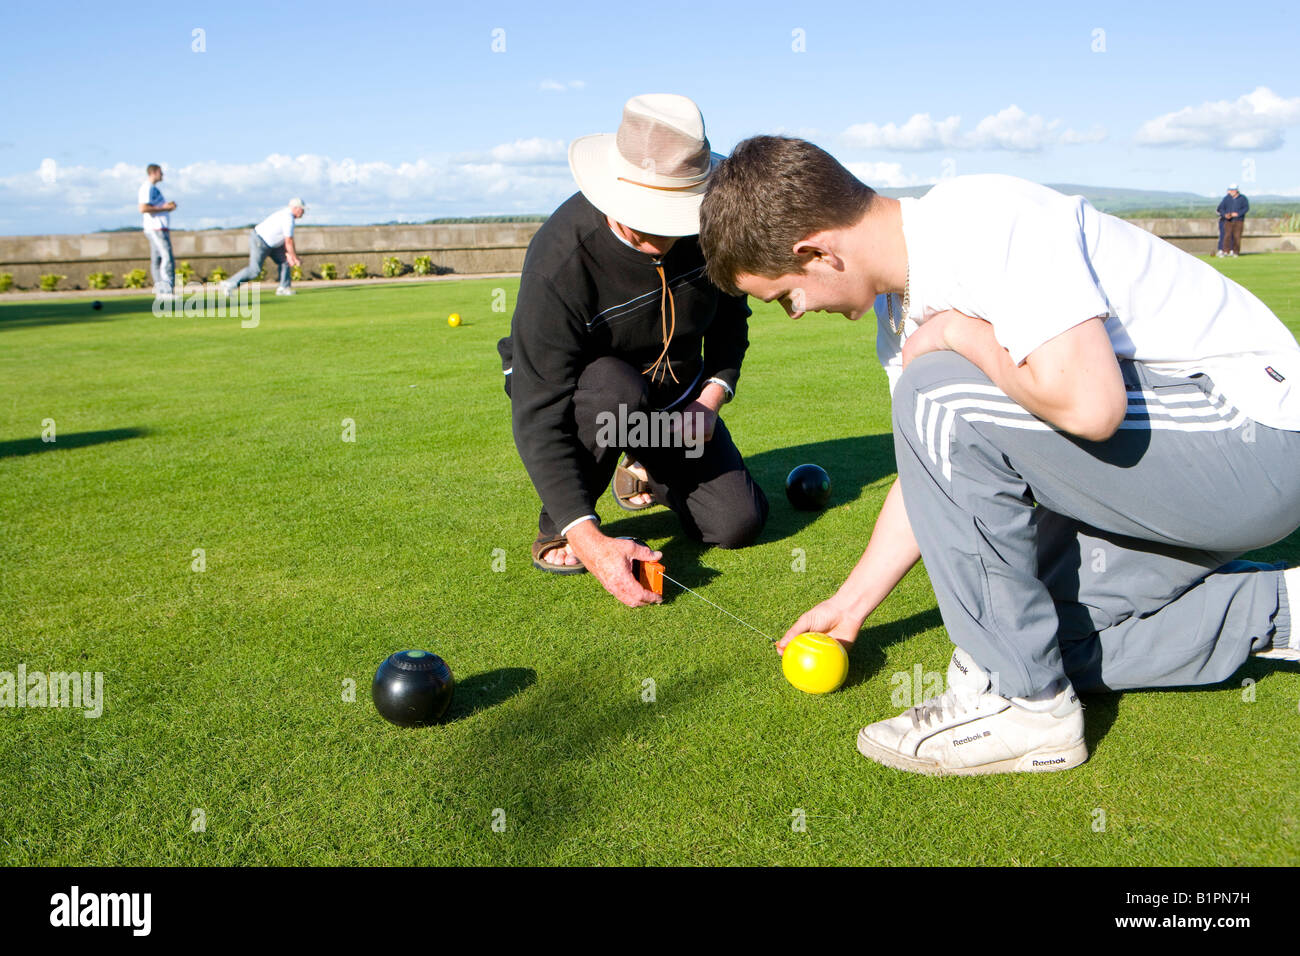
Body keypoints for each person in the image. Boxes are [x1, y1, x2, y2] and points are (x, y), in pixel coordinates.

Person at [699, 136, 1300, 776]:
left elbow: (1092, 406)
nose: (794, 313)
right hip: (1188, 483)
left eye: (784, 296)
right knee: (1033, 628)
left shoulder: (980, 218)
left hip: (1256, 440)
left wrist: (958, 335)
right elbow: (934, 469)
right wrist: (849, 607)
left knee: (937, 395)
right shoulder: (898, 314)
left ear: (817, 253)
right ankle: (1278, 610)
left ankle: (1028, 709)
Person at [498, 94, 768, 608]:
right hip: (592, 392)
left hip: (674, 401)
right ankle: (559, 526)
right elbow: (538, 410)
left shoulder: (711, 232)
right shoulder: (558, 261)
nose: (657, 236)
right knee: (611, 388)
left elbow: (732, 323)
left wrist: (709, 400)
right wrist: (587, 536)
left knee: (738, 522)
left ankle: (640, 460)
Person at [221, 199, 305, 296]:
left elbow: (284, 239)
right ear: (295, 208)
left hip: (273, 245)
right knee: (255, 270)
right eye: (302, 209)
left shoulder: (286, 215)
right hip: (260, 241)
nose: (303, 212)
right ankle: (229, 284)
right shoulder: (288, 218)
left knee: (285, 261)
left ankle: (283, 288)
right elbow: (289, 241)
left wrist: (289, 255)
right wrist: (294, 258)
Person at [138, 164, 176, 298]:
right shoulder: (147, 188)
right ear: (153, 172)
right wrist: (165, 208)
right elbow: (143, 208)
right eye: (161, 172)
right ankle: (166, 291)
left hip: (158, 228)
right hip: (156, 228)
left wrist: (166, 207)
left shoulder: (153, 189)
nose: (163, 175)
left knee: (157, 260)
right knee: (166, 257)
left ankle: (161, 292)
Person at [1217, 183, 1249, 257]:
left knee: (1237, 236)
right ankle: (1225, 251)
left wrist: (1238, 214)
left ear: (1236, 191)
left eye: (1232, 190)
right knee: (1226, 236)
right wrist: (1225, 214)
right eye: (1230, 190)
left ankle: (1235, 252)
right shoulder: (1226, 198)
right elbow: (1221, 208)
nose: (1231, 192)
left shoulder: (1243, 198)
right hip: (1228, 220)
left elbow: (1246, 208)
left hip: (1238, 220)